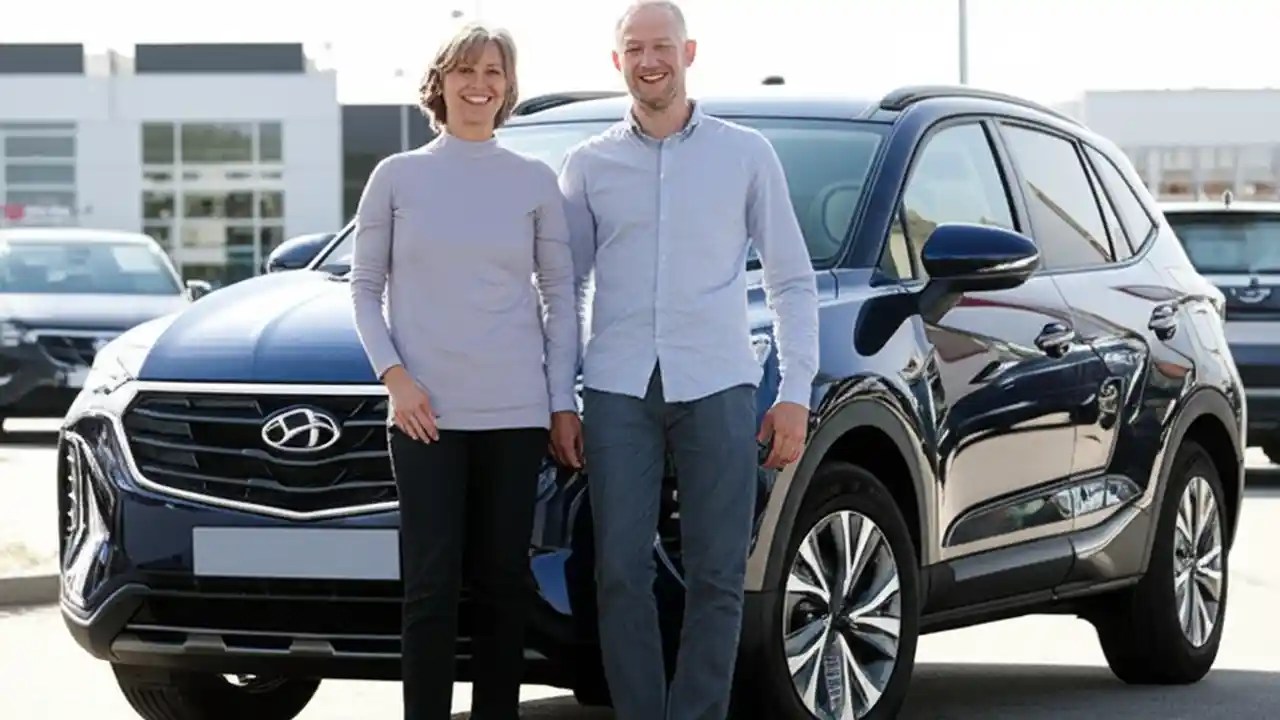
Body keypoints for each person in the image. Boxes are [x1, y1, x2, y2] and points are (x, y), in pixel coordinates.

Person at [557, 1, 820, 718]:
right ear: (617, 61)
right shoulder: (587, 165)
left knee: (717, 575)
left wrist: (795, 390)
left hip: (719, 384)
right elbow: (564, 286)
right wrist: (561, 396)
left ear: (689, 51)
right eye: (635, 48)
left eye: (662, 46)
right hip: (615, 390)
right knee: (618, 572)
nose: (650, 61)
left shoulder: (746, 154)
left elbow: (791, 278)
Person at [349, 22, 582, 720]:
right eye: (465, 71)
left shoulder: (534, 181)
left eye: (493, 72)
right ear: (439, 83)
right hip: (424, 418)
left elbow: (561, 295)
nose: (479, 84)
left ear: (508, 88)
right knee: (428, 588)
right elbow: (363, 289)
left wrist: (558, 398)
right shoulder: (397, 176)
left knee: (502, 586)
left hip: (513, 413)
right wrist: (396, 379)